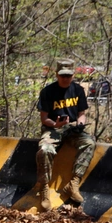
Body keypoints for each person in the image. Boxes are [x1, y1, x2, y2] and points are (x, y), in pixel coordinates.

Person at [35, 59, 96, 212]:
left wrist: (80, 123)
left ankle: (73, 184)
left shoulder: (78, 90)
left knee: (89, 143)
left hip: (73, 129)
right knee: (45, 150)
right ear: (56, 74)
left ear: (73, 75)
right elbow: (44, 118)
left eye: (68, 76)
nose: (65, 79)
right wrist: (55, 124)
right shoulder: (48, 92)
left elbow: (82, 114)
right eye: (62, 76)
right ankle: (44, 189)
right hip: (53, 128)